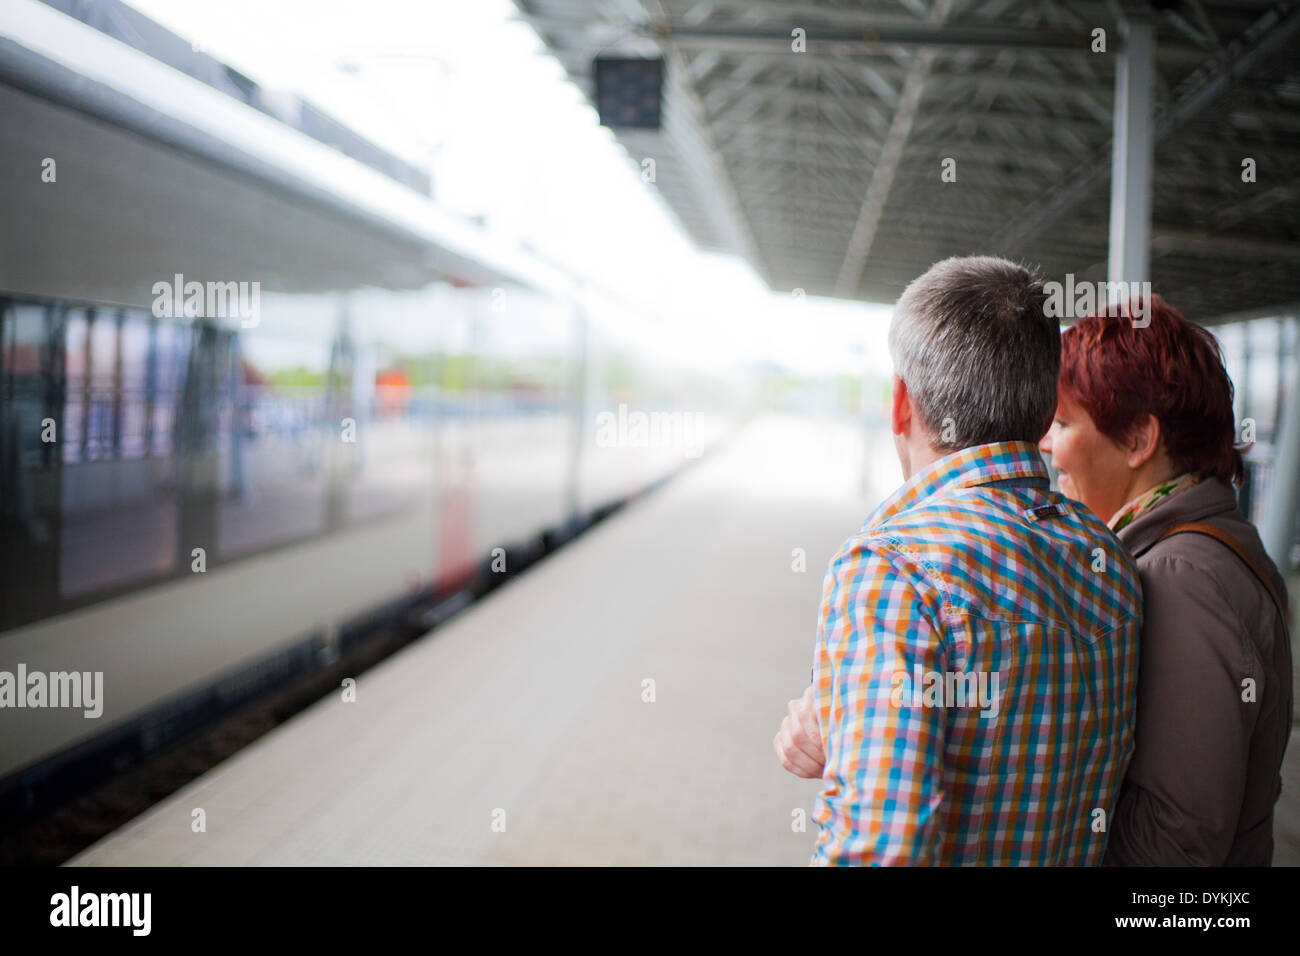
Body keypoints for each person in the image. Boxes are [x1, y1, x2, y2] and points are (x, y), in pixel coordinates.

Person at [774, 256, 1143, 865]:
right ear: (1049, 411)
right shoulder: (1106, 559)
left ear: (901, 403)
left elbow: (882, 849)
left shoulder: (893, 571)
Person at [1040, 295, 1292, 865]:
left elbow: (1175, 844)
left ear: (1138, 440)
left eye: (1062, 423)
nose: (1047, 446)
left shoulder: (1180, 578)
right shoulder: (1205, 548)